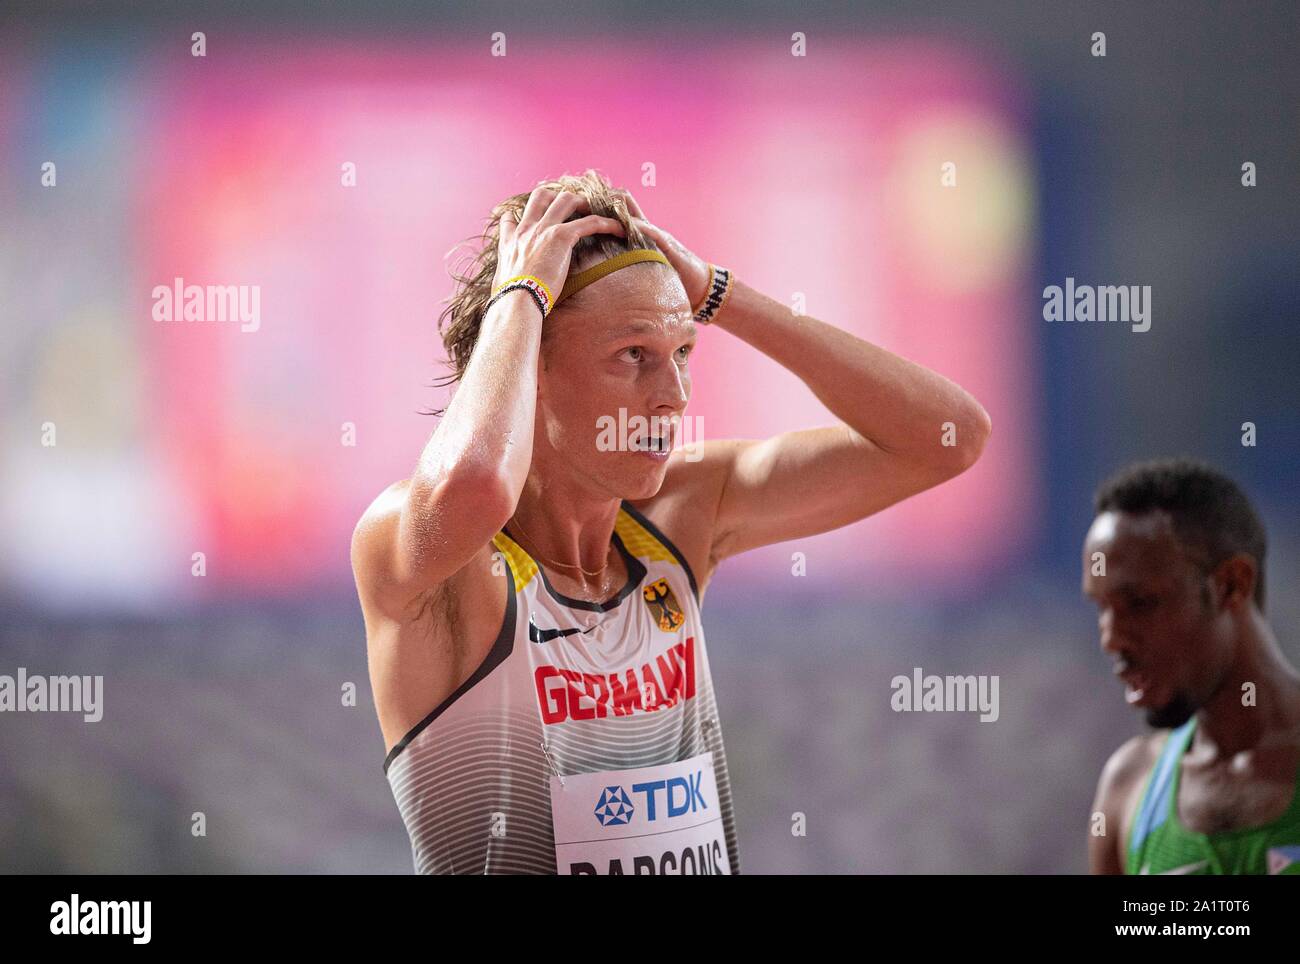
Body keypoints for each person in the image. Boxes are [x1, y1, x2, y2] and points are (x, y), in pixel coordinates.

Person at [351, 169, 991, 874]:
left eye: (682, 354)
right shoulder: (434, 555)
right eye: (634, 357)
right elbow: (476, 484)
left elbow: (949, 437)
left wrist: (720, 293)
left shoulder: (678, 516)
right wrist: (521, 294)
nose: (675, 396)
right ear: (528, 365)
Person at [1084, 459, 1300, 874]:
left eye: (1140, 603)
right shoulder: (1128, 787)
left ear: (1231, 585)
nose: (1111, 639)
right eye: (1102, 608)